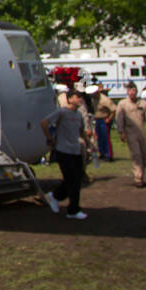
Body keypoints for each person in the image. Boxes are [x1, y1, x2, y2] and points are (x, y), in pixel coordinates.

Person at [40, 90, 94, 220]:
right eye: (77, 97)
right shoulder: (62, 112)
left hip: (76, 151)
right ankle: (73, 210)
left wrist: (89, 144)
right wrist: (50, 138)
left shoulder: (79, 115)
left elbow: (81, 131)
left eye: (81, 97)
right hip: (63, 151)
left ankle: (55, 196)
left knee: (76, 178)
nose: (80, 99)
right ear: (69, 99)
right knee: (73, 181)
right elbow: (44, 123)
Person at [115, 82, 146, 187]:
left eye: (134, 91)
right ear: (127, 92)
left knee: (144, 155)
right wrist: (121, 132)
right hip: (130, 132)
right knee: (136, 155)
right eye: (130, 91)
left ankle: (141, 173)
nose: (132, 93)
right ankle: (138, 178)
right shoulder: (123, 104)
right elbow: (119, 118)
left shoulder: (142, 104)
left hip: (141, 132)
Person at [91, 84, 116, 162]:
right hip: (97, 119)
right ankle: (102, 153)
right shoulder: (93, 99)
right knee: (99, 138)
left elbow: (113, 110)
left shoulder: (105, 100)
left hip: (104, 119)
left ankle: (109, 155)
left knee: (106, 138)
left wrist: (109, 119)